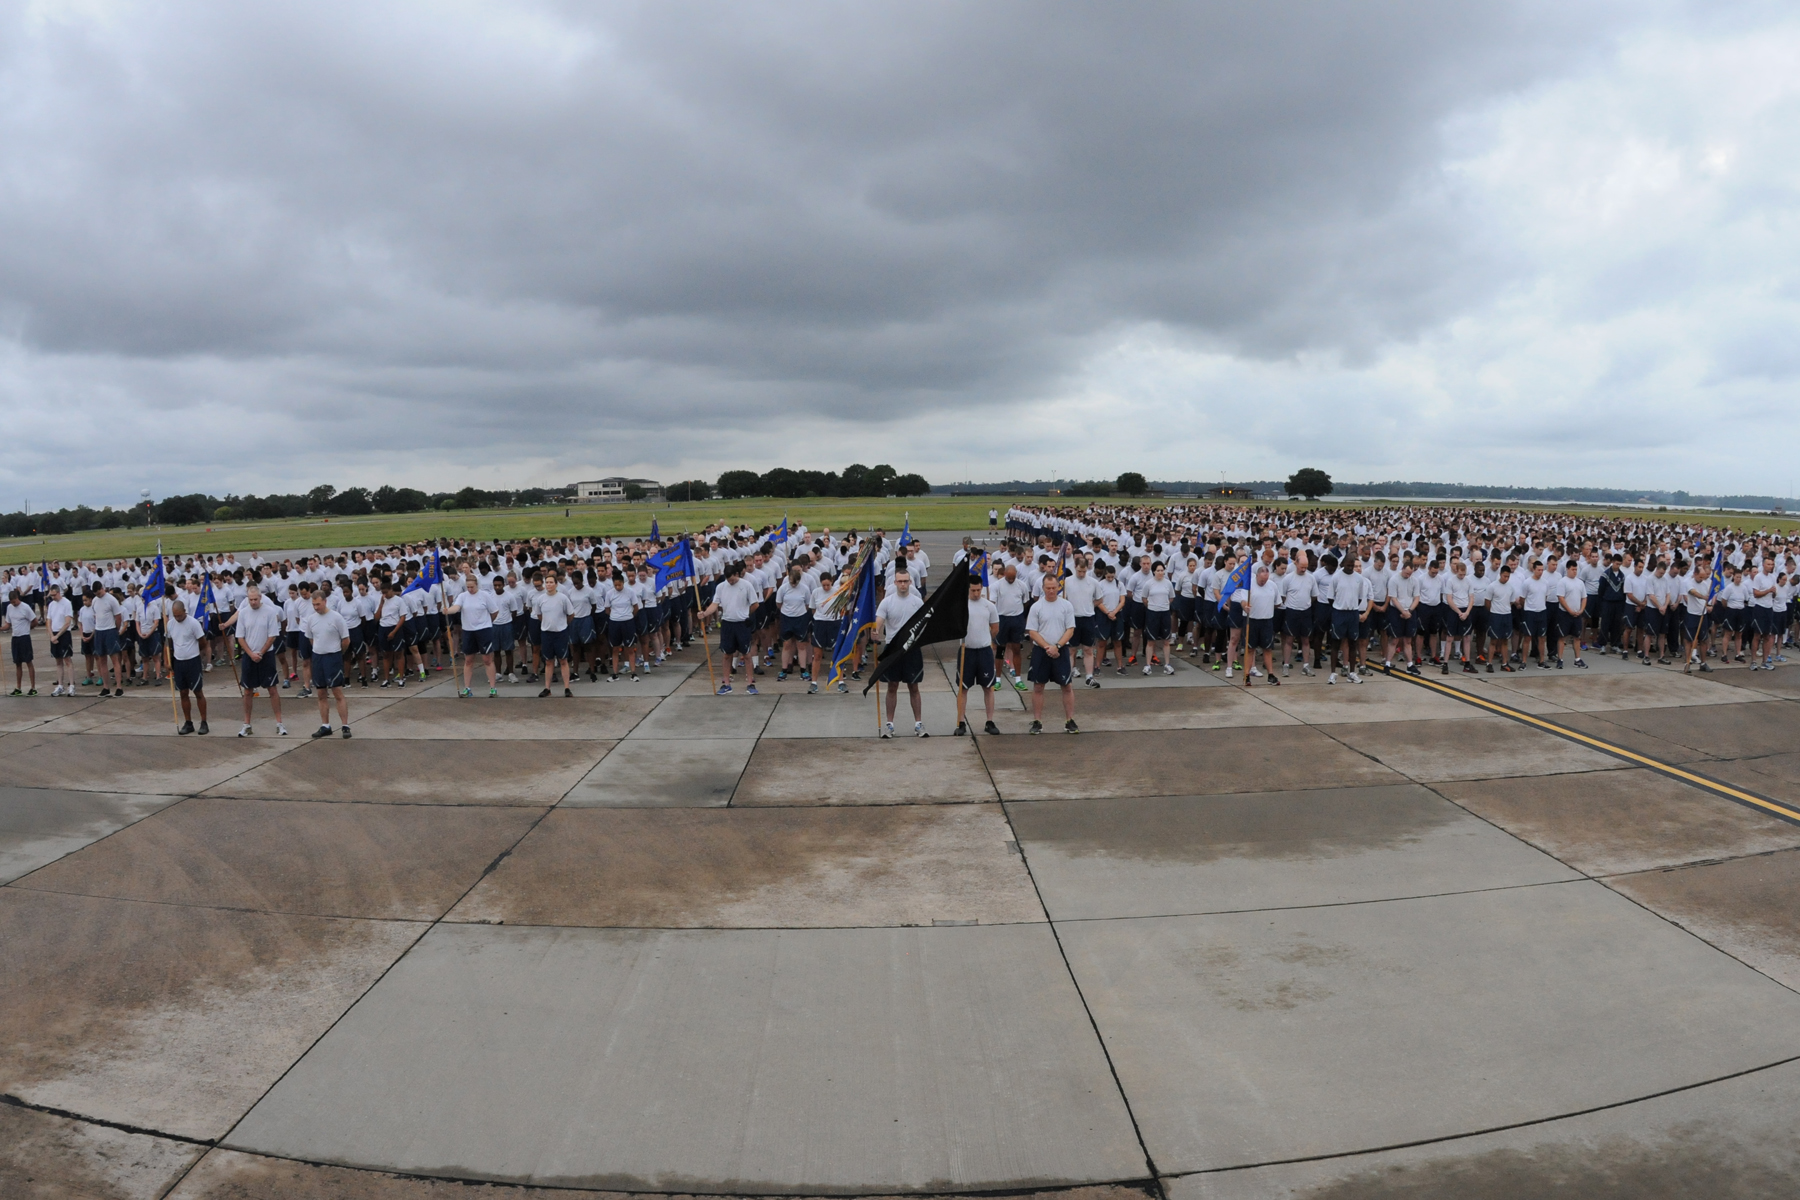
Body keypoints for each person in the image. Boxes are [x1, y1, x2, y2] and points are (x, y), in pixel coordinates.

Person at [873, 565, 926, 738]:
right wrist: (876, 631)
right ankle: (889, 725)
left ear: (910, 582)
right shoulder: (887, 602)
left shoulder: (917, 602)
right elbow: (879, 621)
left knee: (914, 686)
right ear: (894, 582)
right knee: (892, 686)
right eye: (900, 581)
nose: (903, 584)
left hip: (912, 648)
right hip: (892, 649)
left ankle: (918, 724)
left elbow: (925, 623)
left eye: (906, 581)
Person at [1025, 573, 1078, 733]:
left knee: (1067, 686)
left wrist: (1057, 646)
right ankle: (1037, 721)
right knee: (1038, 686)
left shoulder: (1066, 605)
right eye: (1048, 588)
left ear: (1058, 587)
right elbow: (1032, 631)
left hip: (1061, 651)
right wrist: (1048, 647)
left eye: (1054, 588)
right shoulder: (1037, 607)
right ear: (1043, 588)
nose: (1051, 591)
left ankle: (1069, 720)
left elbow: (1070, 629)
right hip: (1041, 652)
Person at [233, 584, 287, 736]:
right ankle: (246, 724)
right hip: (249, 656)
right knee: (248, 691)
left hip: (266, 655)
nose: (253, 602)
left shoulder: (270, 612)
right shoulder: (243, 613)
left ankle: (279, 723)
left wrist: (261, 653)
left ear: (260, 597)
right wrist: (250, 654)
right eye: (250, 600)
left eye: (255, 599)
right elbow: (240, 637)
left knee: (272, 689)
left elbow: (272, 636)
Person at [701, 561, 759, 695]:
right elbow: (715, 604)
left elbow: (755, 604)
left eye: (732, 579)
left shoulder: (746, 585)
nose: (731, 582)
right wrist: (704, 613)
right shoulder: (721, 587)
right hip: (727, 623)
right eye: (728, 580)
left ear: (737, 574)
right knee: (727, 654)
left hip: (742, 623)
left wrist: (745, 614)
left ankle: (750, 683)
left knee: (747, 654)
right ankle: (726, 683)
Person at [954, 572, 1001, 737]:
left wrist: (986, 637)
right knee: (963, 688)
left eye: (978, 590)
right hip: (966, 651)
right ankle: (960, 722)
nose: (976, 593)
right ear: (967, 589)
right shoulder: (961, 606)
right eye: (973, 590)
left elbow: (995, 627)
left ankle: (989, 721)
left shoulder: (989, 606)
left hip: (984, 651)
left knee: (988, 687)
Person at [448, 575, 502, 697]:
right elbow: (457, 607)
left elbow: (494, 611)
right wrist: (448, 610)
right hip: (468, 630)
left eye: (472, 587)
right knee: (468, 660)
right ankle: (467, 688)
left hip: (484, 629)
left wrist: (487, 622)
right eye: (468, 587)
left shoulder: (484, 596)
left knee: (487, 659)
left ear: (476, 585)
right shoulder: (463, 596)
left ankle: (493, 688)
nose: (470, 589)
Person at [166, 598, 209, 734]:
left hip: (192, 661)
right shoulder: (170, 624)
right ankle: (188, 722)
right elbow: (167, 643)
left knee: (198, 691)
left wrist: (196, 654)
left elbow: (202, 642)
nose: (177, 617)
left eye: (179, 615)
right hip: (179, 662)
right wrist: (167, 660)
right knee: (183, 692)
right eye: (175, 615)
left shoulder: (193, 623)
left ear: (184, 611)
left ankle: (203, 722)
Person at [535, 572, 577, 697]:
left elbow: (571, 614)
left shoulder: (563, 598)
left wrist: (562, 624)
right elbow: (539, 615)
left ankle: (567, 688)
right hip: (547, 633)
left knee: (563, 660)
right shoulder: (540, 599)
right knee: (548, 661)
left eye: (551, 582)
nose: (549, 584)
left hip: (561, 633)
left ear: (556, 584)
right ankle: (547, 688)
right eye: (547, 582)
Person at [6, 589, 39, 696]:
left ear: (17, 598)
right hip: (15, 637)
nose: (13, 604)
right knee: (17, 663)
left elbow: (35, 621)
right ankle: (18, 687)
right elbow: (8, 624)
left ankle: (33, 687)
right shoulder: (9, 608)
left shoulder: (25, 607)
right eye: (11, 602)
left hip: (24, 637)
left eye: (14, 602)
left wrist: (28, 628)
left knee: (28, 661)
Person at [45, 584, 75, 696]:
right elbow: (49, 621)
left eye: (54, 595)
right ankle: (60, 685)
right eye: (51, 595)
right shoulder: (51, 605)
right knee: (58, 661)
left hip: (64, 634)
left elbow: (67, 622)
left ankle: (71, 685)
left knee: (67, 660)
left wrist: (57, 636)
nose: (52, 597)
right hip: (54, 633)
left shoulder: (66, 603)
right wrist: (52, 635)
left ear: (58, 593)